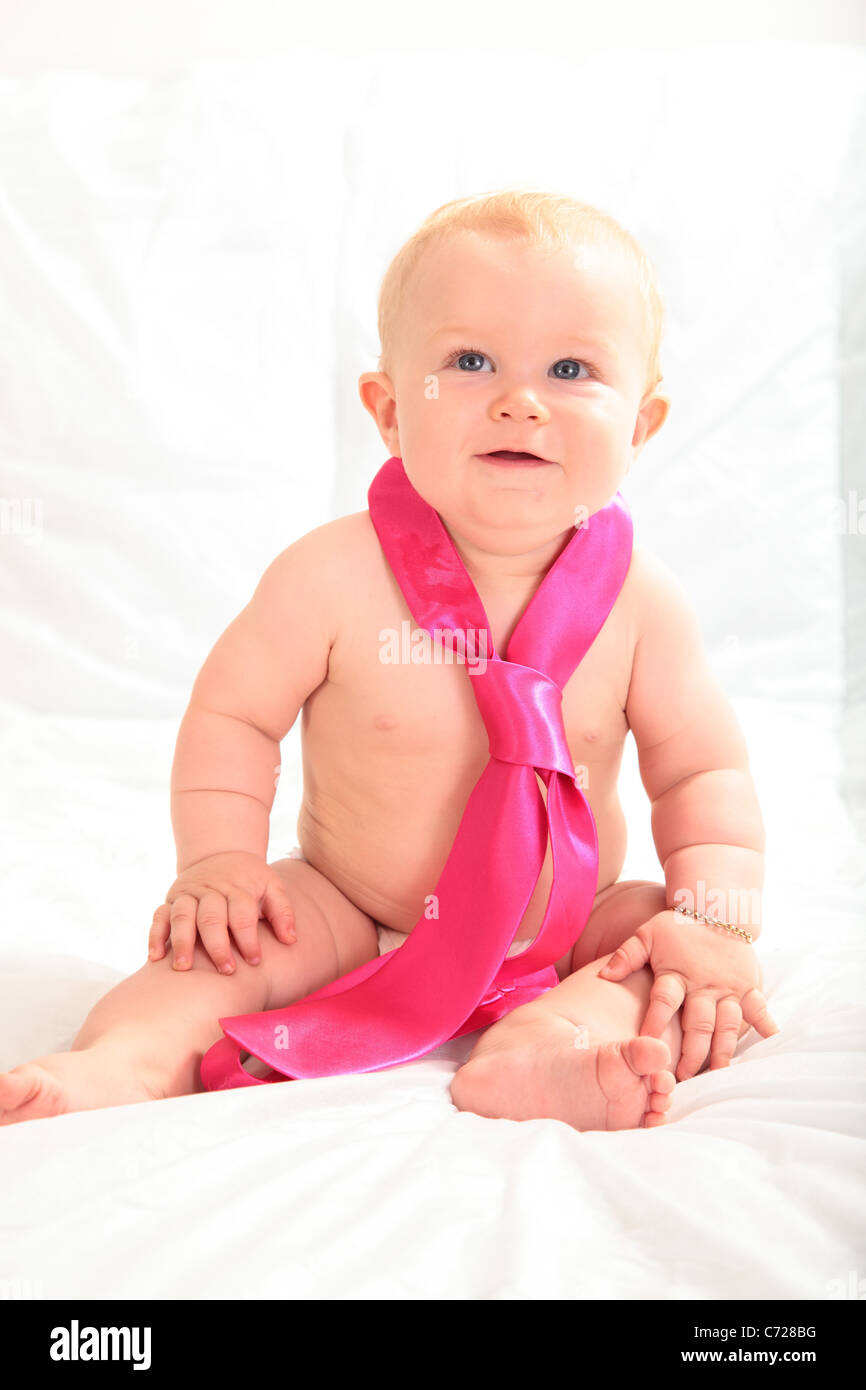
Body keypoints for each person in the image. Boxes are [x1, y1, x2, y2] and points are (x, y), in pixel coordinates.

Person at [0, 187, 778, 1130]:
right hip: (349, 903)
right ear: (388, 409)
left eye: (571, 368)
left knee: (661, 958)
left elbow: (703, 770)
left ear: (641, 427)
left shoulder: (643, 604)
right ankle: (122, 1062)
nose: (520, 400)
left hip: (569, 926)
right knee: (221, 953)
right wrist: (220, 864)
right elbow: (234, 717)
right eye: (469, 361)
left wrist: (713, 921)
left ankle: (546, 1053)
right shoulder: (332, 576)